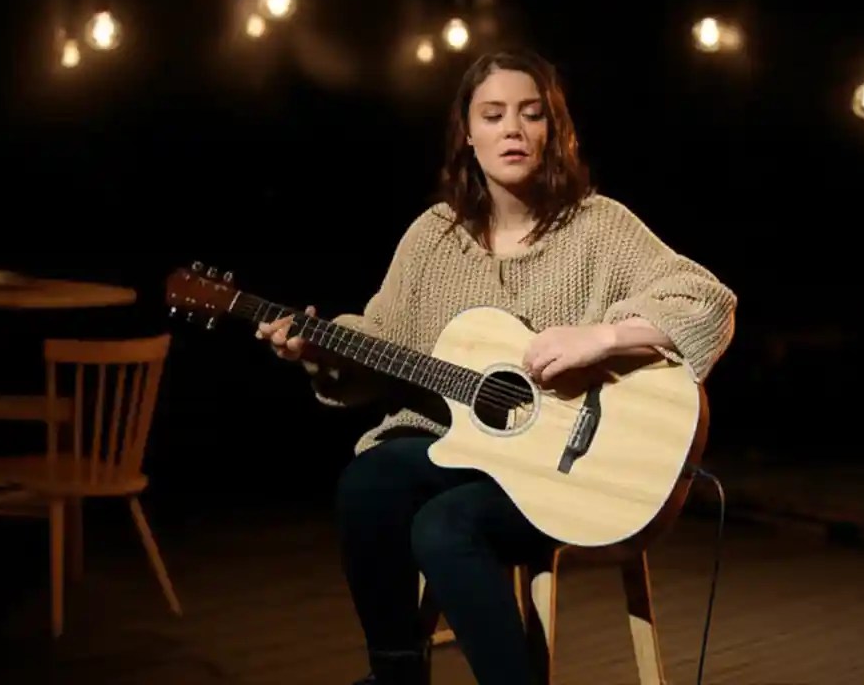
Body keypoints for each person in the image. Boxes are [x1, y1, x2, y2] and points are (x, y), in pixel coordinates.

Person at [255, 49, 737, 685]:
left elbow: (706, 301)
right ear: (468, 133)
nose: (513, 129)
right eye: (493, 115)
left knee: (443, 528)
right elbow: (384, 337)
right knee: (368, 482)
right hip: (465, 451)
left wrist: (602, 337)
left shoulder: (597, 227)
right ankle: (396, 674)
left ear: (553, 130)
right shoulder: (433, 236)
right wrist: (322, 351)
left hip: (569, 475)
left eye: (531, 114)